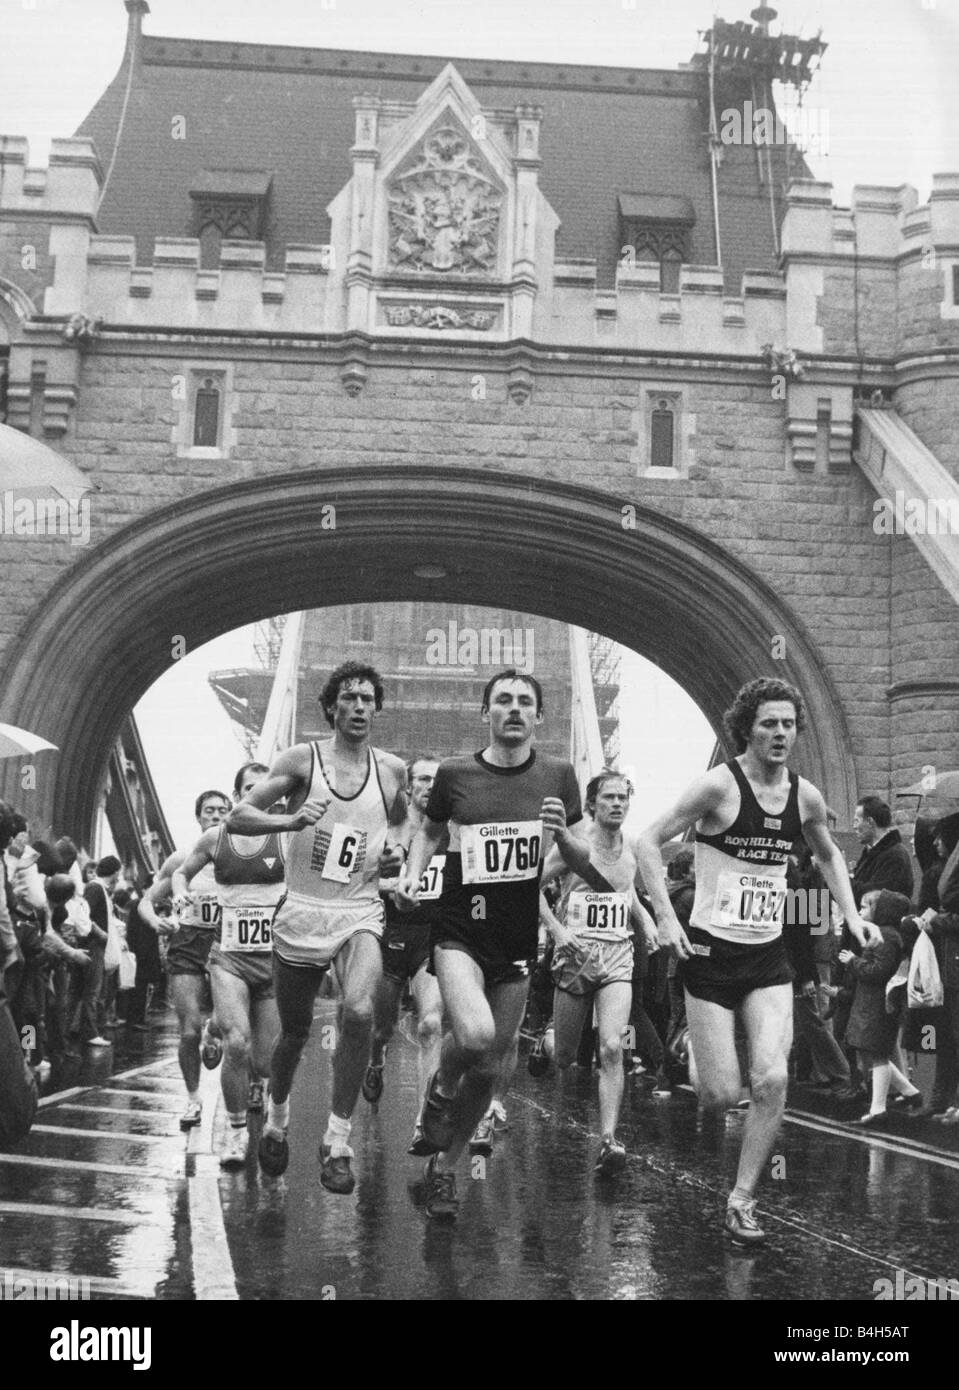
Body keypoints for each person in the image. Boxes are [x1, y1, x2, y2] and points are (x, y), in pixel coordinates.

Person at [635, 676, 881, 1246]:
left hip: (767, 957)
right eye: (768, 723)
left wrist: (850, 915)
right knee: (721, 1096)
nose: (779, 733)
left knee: (770, 1078)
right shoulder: (716, 789)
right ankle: (694, 1045)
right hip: (709, 954)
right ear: (747, 728)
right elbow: (647, 842)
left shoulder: (805, 797)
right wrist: (667, 920)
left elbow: (828, 856)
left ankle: (742, 1199)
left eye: (788, 724)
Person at [395, 668, 583, 1221]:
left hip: (516, 929)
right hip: (461, 922)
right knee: (473, 1038)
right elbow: (431, 833)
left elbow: (575, 856)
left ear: (540, 717)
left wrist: (567, 835)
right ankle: (440, 1084)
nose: (515, 709)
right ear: (486, 713)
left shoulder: (560, 774)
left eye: (526, 701)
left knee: (493, 1065)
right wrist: (412, 873)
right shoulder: (455, 774)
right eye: (503, 700)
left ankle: (446, 1170)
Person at [228, 662, 407, 1193]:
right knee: (295, 1034)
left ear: (376, 708)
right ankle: (278, 1119)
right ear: (331, 708)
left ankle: (337, 1140)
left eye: (368, 699)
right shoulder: (300, 761)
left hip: (360, 910)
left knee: (358, 1012)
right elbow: (239, 817)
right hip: (304, 908)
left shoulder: (391, 768)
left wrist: (395, 851)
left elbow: (401, 818)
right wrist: (290, 819)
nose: (359, 707)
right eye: (349, 698)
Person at [539, 770, 658, 1174]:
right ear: (591, 805)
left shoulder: (633, 847)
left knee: (611, 1047)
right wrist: (556, 931)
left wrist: (646, 923)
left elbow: (624, 892)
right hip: (575, 955)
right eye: (608, 798)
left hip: (617, 957)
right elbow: (529, 885)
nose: (617, 804)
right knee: (567, 1057)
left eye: (623, 797)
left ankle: (609, 1139)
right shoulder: (576, 845)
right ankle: (548, 1043)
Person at [173, 762, 285, 1167]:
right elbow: (181, 875)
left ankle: (275, 1118)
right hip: (228, 959)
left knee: (265, 1061)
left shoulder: (287, 840)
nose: (261, 797)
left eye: (267, 790)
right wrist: (181, 893)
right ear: (240, 797)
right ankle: (236, 1133)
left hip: (273, 962)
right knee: (236, 1042)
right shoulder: (215, 839)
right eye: (252, 790)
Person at [362, 756, 446, 1156]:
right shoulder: (387, 829)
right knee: (381, 1029)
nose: (432, 786)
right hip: (388, 935)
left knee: (431, 1024)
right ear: (409, 787)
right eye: (424, 779)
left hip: (432, 938)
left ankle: (423, 1123)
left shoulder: (452, 831)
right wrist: (392, 887)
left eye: (438, 779)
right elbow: (357, 880)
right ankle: (375, 1061)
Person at [140, 791, 232, 1128]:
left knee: (224, 1023)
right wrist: (155, 921)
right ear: (198, 817)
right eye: (209, 811)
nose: (216, 816)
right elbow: (146, 902)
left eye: (223, 811)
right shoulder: (181, 860)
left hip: (226, 942)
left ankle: (214, 1031)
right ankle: (193, 1100)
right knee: (188, 1031)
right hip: (188, 943)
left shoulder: (238, 859)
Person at [841, 890, 920, 1125]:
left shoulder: (886, 937)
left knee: (877, 1054)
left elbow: (878, 972)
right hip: (872, 1003)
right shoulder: (887, 935)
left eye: (865, 907)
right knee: (873, 1052)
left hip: (878, 1004)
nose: (860, 912)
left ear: (881, 911)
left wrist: (853, 961)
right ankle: (910, 1093)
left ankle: (878, 1110)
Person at [80, 856, 122, 1049]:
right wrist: (101, 934)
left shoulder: (98, 890)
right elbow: (84, 917)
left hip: (94, 945)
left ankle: (31, 1053)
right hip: (94, 945)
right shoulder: (96, 889)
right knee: (91, 990)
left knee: (30, 1011)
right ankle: (30, 1051)